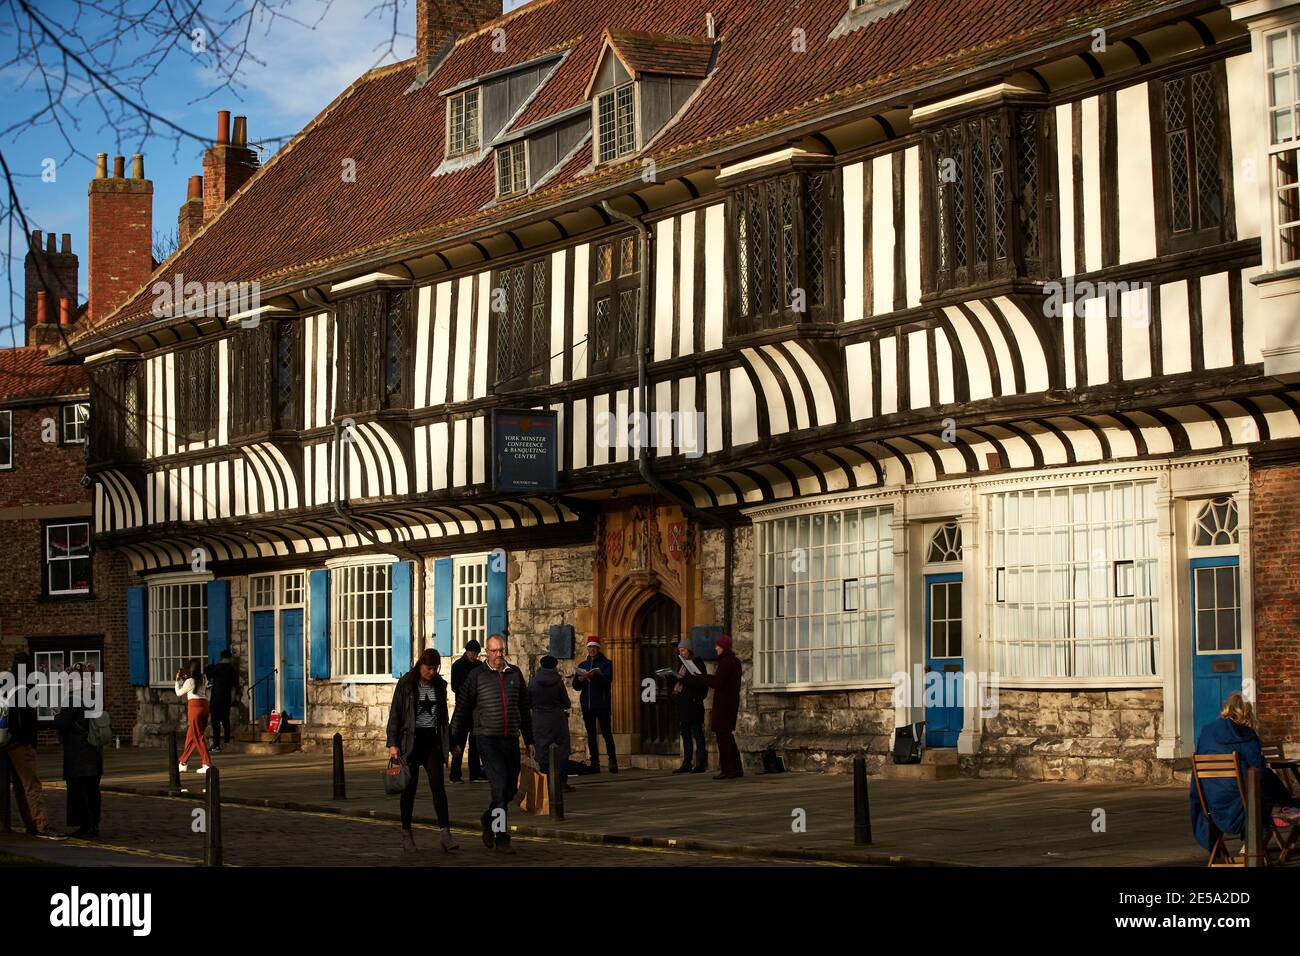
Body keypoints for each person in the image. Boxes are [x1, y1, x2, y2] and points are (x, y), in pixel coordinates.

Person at [450, 634, 534, 853]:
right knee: (498, 788)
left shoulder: (515, 674)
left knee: (509, 791)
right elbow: (462, 708)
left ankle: (488, 819)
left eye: (501, 651)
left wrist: (530, 739)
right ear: (487, 652)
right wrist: (454, 740)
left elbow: (524, 708)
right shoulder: (476, 676)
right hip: (487, 739)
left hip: (510, 739)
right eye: (494, 651)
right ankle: (501, 837)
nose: (499, 655)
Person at [1190, 692, 1298, 852]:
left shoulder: (1206, 732)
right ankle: (1277, 818)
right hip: (1242, 809)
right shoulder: (1247, 735)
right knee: (1267, 780)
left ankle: (1287, 809)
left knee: (1264, 782)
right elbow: (1259, 772)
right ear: (1246, 712)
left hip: (1213, 805)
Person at [386, 647, 458, 854]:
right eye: (429, 668)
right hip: (410, 742)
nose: (432, 672)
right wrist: (393, 743)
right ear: (420, 665)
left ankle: (446, 834)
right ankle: (407, 834)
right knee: (409, 790)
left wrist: (451, 742)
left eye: (436, 668)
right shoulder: (406, 685)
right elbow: (395, 716)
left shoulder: (439, 686)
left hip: (432, 741)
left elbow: (443, 719)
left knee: (438, 787)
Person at [3, 652, 62, 838]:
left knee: (15, 786)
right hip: (21, 743)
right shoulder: (25, 688)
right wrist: (29, 741)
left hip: (4, 741)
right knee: (31, 786)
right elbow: (26, 720)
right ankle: (41, 825)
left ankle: (21, 824)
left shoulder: (5, 685)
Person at [53, 665, 103, 839]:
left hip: (78, 753)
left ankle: (85, 826)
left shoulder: (72, 699)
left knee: (79, 792)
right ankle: (93, 824)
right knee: (92, 791)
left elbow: (62, 723)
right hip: (94, 751)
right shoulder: (93, 695)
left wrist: (56, 715)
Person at [692, 634, 743, 779]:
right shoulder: (735, 661)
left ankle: (728, 769)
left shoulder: (726, 662)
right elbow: (719, 680)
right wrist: (704, 676)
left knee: (723, 738)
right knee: (728, 737)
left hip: (724, 705)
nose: (715, 648)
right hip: (731, 703)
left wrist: (701, 677)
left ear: (723, 647)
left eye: (718, 645)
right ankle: (736, 768)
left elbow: (717, 683)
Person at [573, 636, 617, 773]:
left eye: (594, 647)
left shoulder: (606, 663)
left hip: (602, 703)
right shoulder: (582, 665)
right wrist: (581, 679)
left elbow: (607, 680)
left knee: (606, 733)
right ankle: (594, 762)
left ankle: (612, 761)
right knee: (591, 734)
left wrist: (595, 675)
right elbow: (576, 686)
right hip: (587, 704)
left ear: (598, 648)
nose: (591, 650)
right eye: (589, 647)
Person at [529, 655, 571, 793]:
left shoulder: (534, 682)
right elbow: (566, 703)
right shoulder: (558, 682)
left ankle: (545, 782)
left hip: (540, 720)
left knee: (542, 750)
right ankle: (562, 782)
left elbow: (528, 702)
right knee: (562, 750)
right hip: (557, 719)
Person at [448, 640, 484, 783]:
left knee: (475, 743)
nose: (474, 656)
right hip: (462, 708)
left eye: (476, 654)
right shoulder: (457, 665)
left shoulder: (480, 666)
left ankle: (475, 774)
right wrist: (468, 691)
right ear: (466, 652)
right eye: (472, 653)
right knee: (459, 741)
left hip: (476, 708)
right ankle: (455, 775)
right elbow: (455, 687)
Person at [672, 640, 708, 774]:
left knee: (697, 733)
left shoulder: (697, 663)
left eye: (683, 650)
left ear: (689, 650)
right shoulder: (682, 665)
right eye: (679, 651)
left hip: (693, 704)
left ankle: (700, 763)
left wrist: (682, 679)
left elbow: (700, 683)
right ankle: (687, 762)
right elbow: (680, 683)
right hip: (683, 704)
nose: (680, 653)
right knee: (685, 734)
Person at [174, 658, 212, 774]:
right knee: (191, 736)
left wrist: (177, 681)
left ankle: (207, 764)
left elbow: (178, 693)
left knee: (198, 736)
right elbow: (201, 686)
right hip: (205, 706)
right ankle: (183, 762)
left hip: (194, 707)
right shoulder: (203, 677)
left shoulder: (189, 681)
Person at [204, 650, 237, 753]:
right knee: (226, 720)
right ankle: (227, 741)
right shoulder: (232, 669)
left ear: (221, 657)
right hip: (227, 697)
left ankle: (216, 744)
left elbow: (208, 674)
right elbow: (234, 684)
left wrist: (207, 667)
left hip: (217, 698)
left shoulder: (218, 667)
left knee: (215, 722)